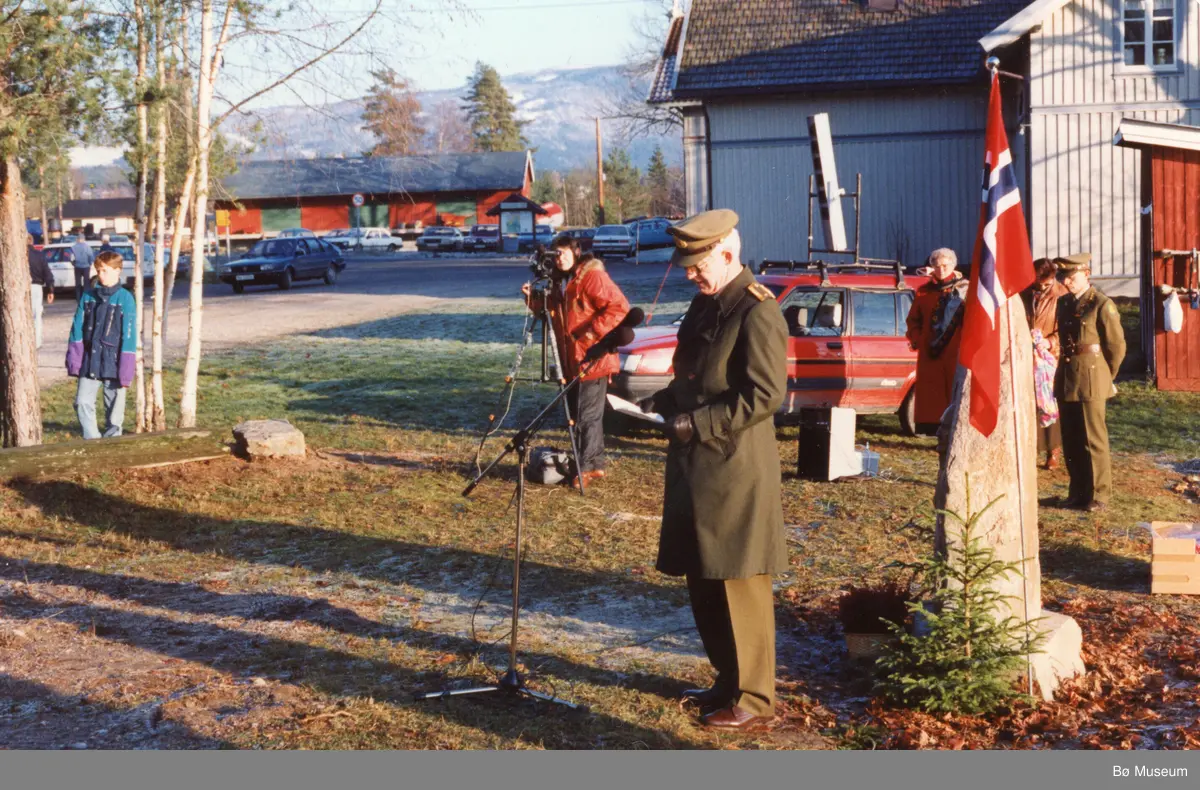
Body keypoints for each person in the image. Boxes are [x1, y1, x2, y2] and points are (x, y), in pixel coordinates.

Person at [640, 209, 787, 731]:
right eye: (687, 267)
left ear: (726, 254)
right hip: (696, 465)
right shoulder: (706, 304)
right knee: (704, 579)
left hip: (734, 470)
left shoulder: (757, 311)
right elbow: (695, 375)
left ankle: (755, 699)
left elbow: (766, 394)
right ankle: (728, 681)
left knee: (738, 582)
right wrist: (661, 402)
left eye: (697, 266)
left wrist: (697, 423)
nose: (690, 276)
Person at [520, 234, 630, 485]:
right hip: (571, 361)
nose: (559, 259)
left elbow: (619, 308)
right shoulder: (563, 282)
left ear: (576, 252)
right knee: (580, 415)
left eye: (564, 253)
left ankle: (586, 468)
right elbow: (550, 312)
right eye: (556, 254)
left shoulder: (592, 276)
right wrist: (532, 298)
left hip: (593, 357)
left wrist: (590, 334)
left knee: (585, 416)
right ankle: (594, 463)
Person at [1053, 253, 1126, 513]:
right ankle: (1078, 492)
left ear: (1086, 274)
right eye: (1063, 277)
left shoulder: (1101, 304)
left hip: (1092, 378)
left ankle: (1099, 494)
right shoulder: (1063, 303)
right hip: (1067, 376)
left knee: (1093, 439)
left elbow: (1116, 346)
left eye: (1071, 277)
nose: (1067, 282)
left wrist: (1106, 376)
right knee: (1071, 438)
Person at [66, 251, 137, 439]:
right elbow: (76, 329)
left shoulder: (125, 299)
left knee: (114, 413)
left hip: (114, 362)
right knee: (82, 402)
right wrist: (75, 360)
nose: (100, 275)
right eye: (98, 270)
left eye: (105, 270)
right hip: (90, 360)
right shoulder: (87, 296)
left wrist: (126, 370)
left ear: (118, 270)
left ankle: (112, 446)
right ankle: (93, 442)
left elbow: (129, 336)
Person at [905, 248, 968, 434]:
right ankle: (934, 430)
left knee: (955, 392)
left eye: (945, 266)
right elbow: (913, 321)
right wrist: (918, 339)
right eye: (937, 266)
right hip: (930, 353)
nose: (941, 270)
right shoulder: (924, 292)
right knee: (932, 395)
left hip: (956, 350)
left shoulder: (965, 290)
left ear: (953, 265)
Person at [1021, 258, 1069, 470]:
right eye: (1037, 283)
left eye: (1045, 284)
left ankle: (1053, 450)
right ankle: (1031, 446)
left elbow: (1067, 328)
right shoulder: (1025, 292)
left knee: (1049, 402)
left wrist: (1051, 342)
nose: (1040, 287)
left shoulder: (1062, 295)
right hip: (1026, 354)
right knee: (1029, 401)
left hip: (1050, 357)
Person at [27, 234, 55, 349]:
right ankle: (37, 342)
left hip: (20, 287)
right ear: (32, 242)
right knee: (36, 316)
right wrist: (50, 290)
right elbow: (47, 273)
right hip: (36, 286)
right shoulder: (39, 255)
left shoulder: (18, 256)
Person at [69, 234, 95, 301]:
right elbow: (91, 256)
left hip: (77, 267)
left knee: (78, 283)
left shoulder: (73, 247)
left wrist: (74, 264)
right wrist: (89, 263)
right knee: (86, 283)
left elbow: (71, 258)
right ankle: (86, 298)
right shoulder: (87, 247)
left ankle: (78, 298)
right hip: (86, 267)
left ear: (77, 239)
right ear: (83, 239)